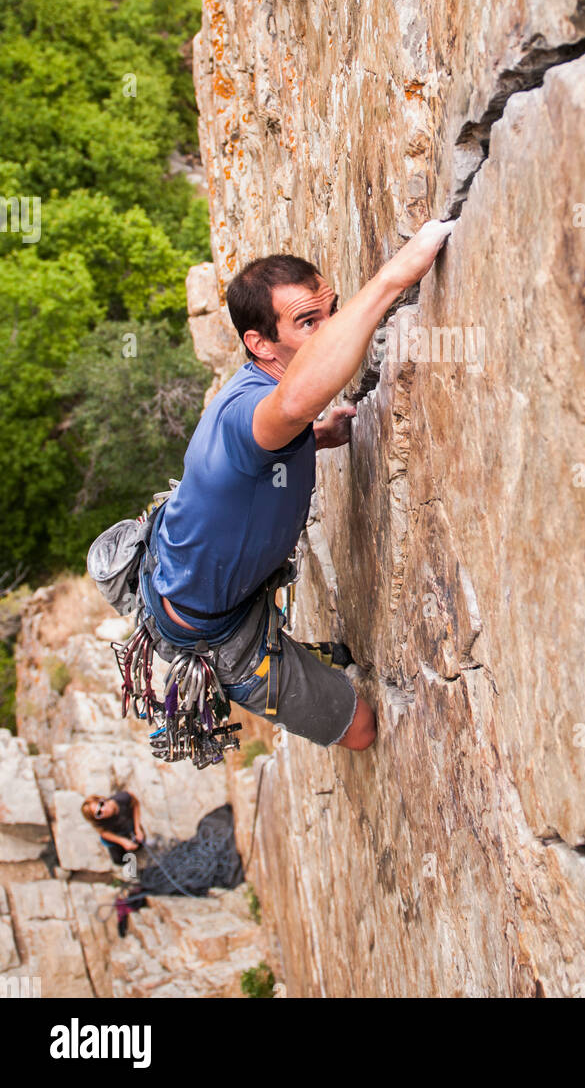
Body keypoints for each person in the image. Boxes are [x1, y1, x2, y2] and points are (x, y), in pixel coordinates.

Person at [138, 219, 456, 752]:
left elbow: (285, 425)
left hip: (199, 572)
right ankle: (284, 668)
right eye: (309, 322)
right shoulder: (251, 411)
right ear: (259, 343)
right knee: (360, 731)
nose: (330, 328)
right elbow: (291, 405)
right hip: (212, 630)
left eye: (332, 312)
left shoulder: (268, 408)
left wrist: (315, 438)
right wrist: (393, 278)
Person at [81, 790, 145, 866]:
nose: (103, 810)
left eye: (101, 804)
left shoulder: (122, 798)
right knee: (118, 859)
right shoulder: (100, 822)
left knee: (139, 844)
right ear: (96, 818)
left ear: (102, 799)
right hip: (114, 833)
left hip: (127, 826)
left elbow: (135, 803)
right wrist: (122, 841)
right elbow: (103, 833)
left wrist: (137, 828)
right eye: (99, 813)